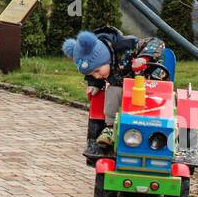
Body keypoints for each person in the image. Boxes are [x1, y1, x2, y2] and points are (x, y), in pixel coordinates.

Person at [63, 28, 168, 164]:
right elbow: (98, 71)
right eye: (92, 74)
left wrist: (144, 58)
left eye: (97, 71)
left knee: (160, 100)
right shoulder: (105, 64)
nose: (97, 75)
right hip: (123, 86)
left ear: (103, 57)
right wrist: (94, 82)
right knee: (112, 90)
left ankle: (162, 133)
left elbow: (157, 42)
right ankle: (110, 128)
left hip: (151, 82)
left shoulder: (127, 44)